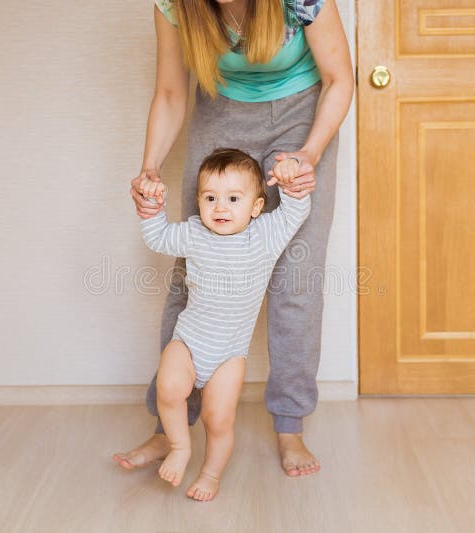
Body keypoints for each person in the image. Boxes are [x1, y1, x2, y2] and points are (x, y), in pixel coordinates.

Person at [114, 0, 353, 477]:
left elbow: (339, 78)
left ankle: (289, 424)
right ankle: (170, 428)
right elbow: (169, 91)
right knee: (194, 274)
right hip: (219, 115)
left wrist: (309, 153)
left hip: (302, 116)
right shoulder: (173, 5)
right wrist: (149, 168)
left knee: (296, 280)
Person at [138, 148, 308, 500]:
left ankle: (211, 474)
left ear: (256, 207)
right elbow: (158, 237)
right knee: (168, 389)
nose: (220, 207)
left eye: (233, 198)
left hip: (229, 353)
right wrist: (152, 208)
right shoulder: (196, 232)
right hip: (188, 340)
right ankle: (179, 446)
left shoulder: (265, 236)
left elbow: (296, 210)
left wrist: (290, 178)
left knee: (219, 421)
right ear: (198, 201)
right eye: (210, 198)